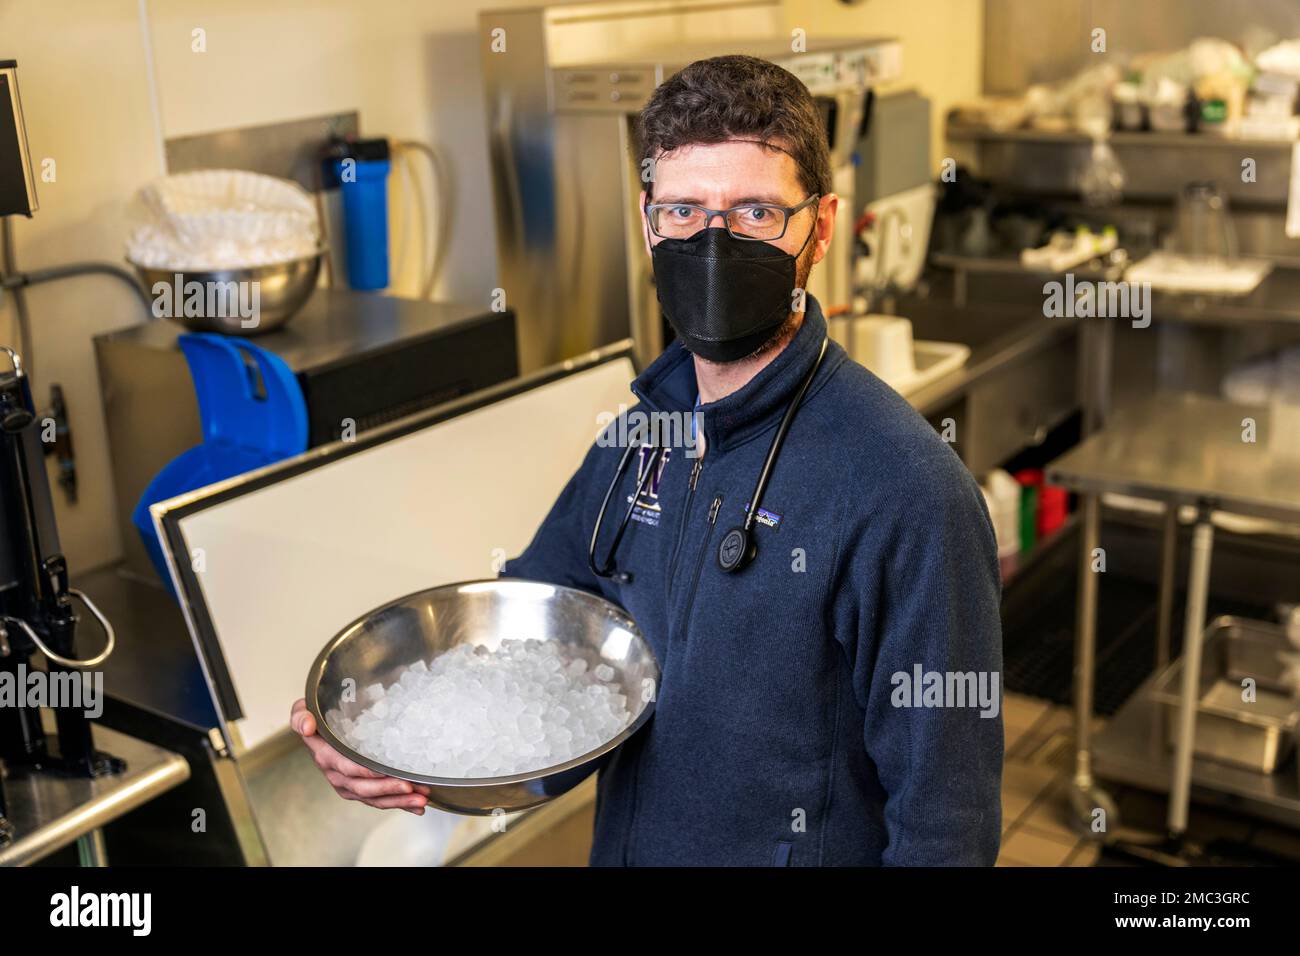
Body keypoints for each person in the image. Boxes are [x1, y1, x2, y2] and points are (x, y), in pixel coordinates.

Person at [292, 54, 1003, 866]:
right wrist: (389, 745)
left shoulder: (906, 489)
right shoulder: (642, 435)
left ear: (823, 224)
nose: (713, 242)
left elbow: (947, 823)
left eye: (756, 214)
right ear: (646, 220)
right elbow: (539, 646)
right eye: (684, 211)